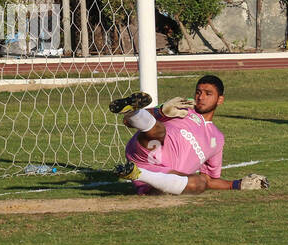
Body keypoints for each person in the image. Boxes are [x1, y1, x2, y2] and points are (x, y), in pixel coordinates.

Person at [111, 77, 268, 195]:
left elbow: (209, 179)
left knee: (199, 184)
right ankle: (131, 109)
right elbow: (127, 122)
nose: (201, 97)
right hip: (150, 150)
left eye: (208, 94)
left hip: (165, 175)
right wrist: (161, 111)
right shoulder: (182, 108)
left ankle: (137, 174)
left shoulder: (218, 139)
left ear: (220, 99)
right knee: (159, 131)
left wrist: (237, 184)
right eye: (198, 92)